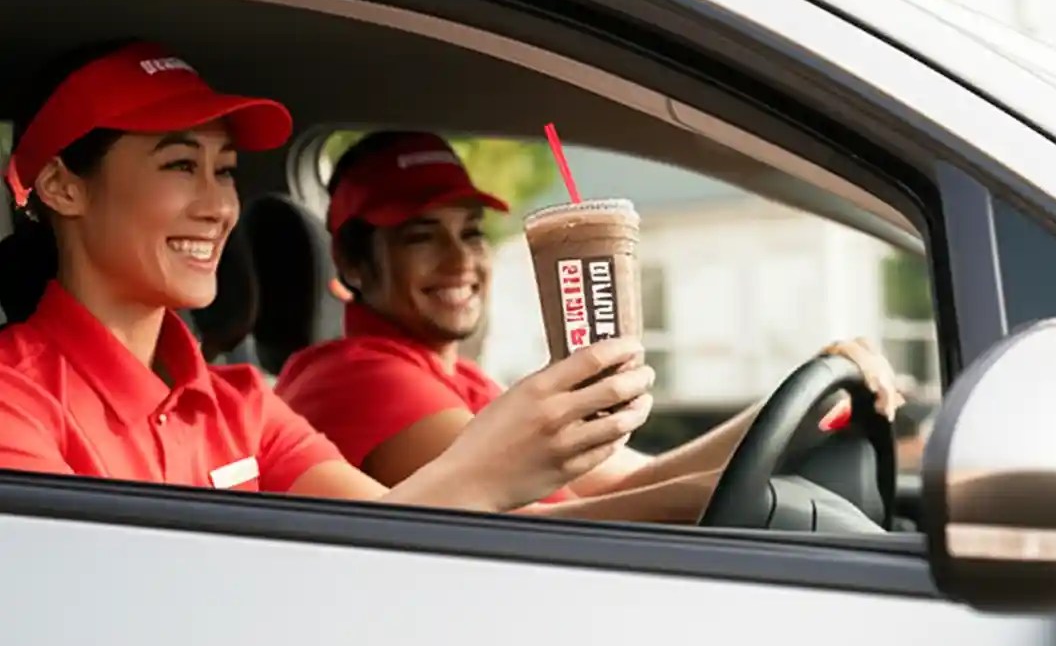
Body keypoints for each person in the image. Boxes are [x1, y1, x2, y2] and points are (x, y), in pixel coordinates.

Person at [0, 39, 655, 515]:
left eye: (224, 170)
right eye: (179, 166)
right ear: (62, 186)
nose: (219, 206)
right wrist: (481, 471)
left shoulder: (242, 403)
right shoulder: (15, 400)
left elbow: (381, 531)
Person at [273, 131, 906, 524]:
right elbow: (548, 520)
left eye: (470, 233)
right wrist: (709, 498)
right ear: (353, 261)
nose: (460, 260)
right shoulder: (356, 377)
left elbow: (622, 480)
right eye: (421, 237)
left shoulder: (456, 376)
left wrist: (796, 396)